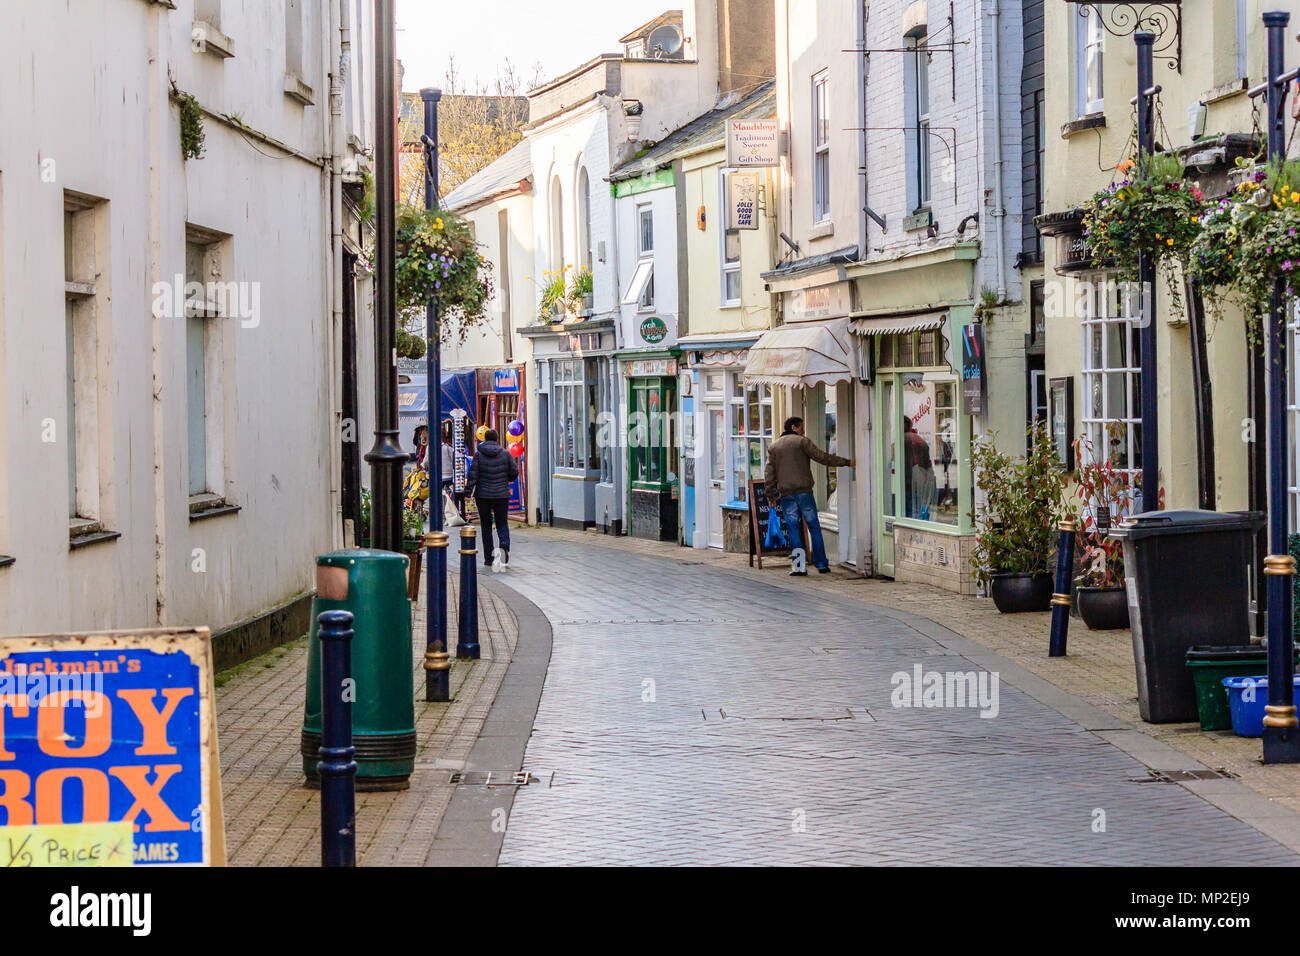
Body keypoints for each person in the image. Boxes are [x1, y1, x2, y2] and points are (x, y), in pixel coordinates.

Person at [764, 416, 853, 575]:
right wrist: (846, 462)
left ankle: (799, 566)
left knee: (792, 529)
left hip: (787, 495)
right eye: (801, 427)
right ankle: (821, 564)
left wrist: (771, 496)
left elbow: (769, 474)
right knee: (814, 526)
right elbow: (822, 457)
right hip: (804, 492)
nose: (803, 431)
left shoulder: (774, 447)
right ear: (793, 427)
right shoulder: (802, 442)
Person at [465, 428, 518, 567]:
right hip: (501, 494)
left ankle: (489, 558)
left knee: (486, 526)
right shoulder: (506, 454)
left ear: (485, 439)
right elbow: (514, 471)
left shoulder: (478, 455)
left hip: (483, 495)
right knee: (502, 522)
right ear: (497, 439)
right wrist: (507, 479)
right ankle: (504, 546)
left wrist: (467, 493)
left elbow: (473, 475)